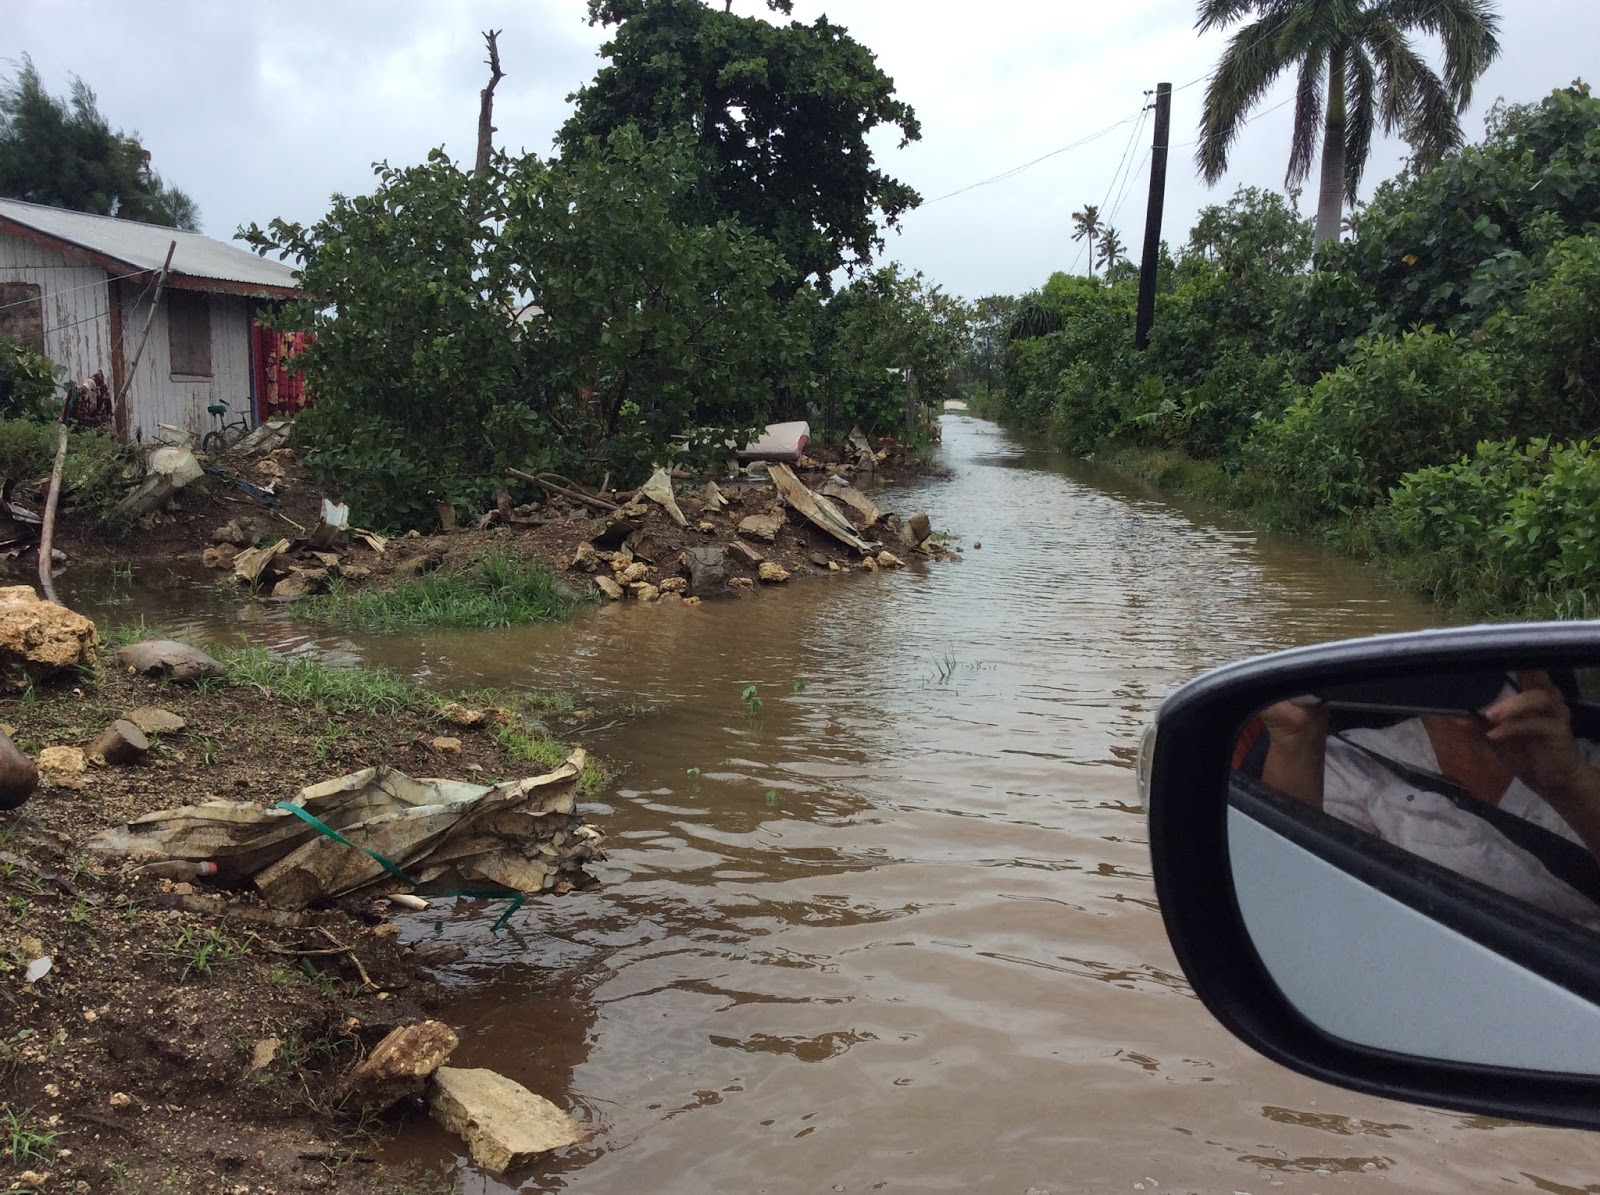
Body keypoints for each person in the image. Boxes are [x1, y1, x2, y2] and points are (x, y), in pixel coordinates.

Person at [1257, 670, 1600, 929]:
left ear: (1543, 679)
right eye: (1455, 663)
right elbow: (1294, 904)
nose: (1473, 677)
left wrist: (1569, 782)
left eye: (1495, 664)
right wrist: (1296, 737)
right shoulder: (1349, 762)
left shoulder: (1582, 767)